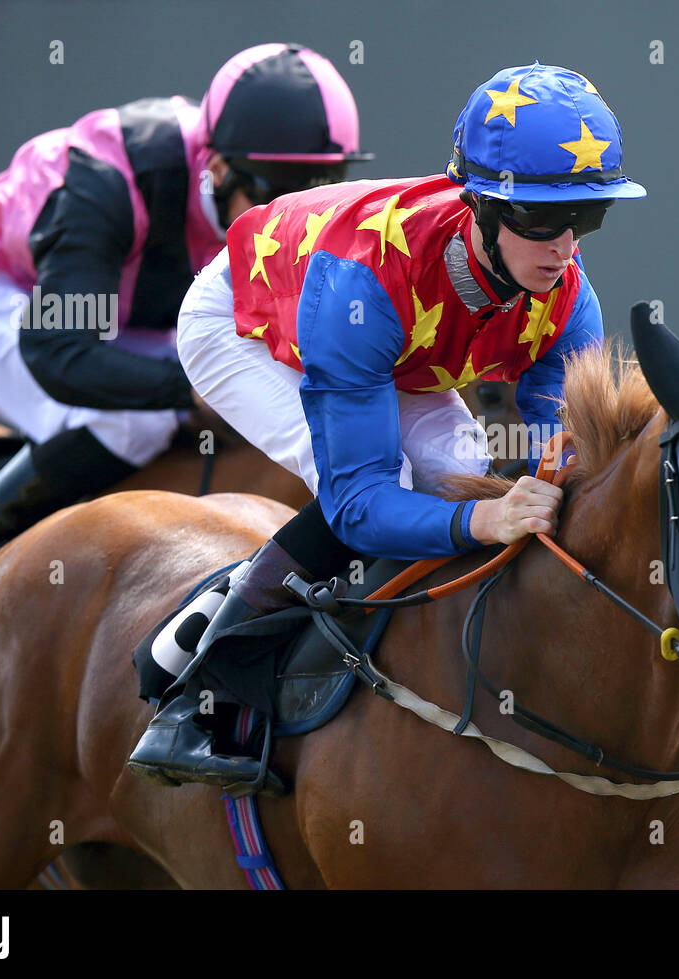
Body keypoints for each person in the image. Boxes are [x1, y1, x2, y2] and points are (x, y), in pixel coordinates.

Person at [127, 62, 645, 788]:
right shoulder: (364, 281)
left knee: (460, 472)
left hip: (400, 346)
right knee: (390, 492)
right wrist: (484, 519)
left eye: (585, 217)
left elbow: (561, 457)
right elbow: (360, 503)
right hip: (245, 321)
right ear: (481, 207)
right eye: (539, 220)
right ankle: (196, 693)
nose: (563, 247)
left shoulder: (567, 297)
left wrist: (528, 490)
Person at [0, 43, 371, 653]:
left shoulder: (241, 182)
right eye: (277, 192)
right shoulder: (106, 182)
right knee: (127, 418)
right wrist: (185, 391)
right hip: (4, 295)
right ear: (216, 169)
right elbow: (61, 353)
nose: (293, 217)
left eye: (318, 190)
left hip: (132, 307)